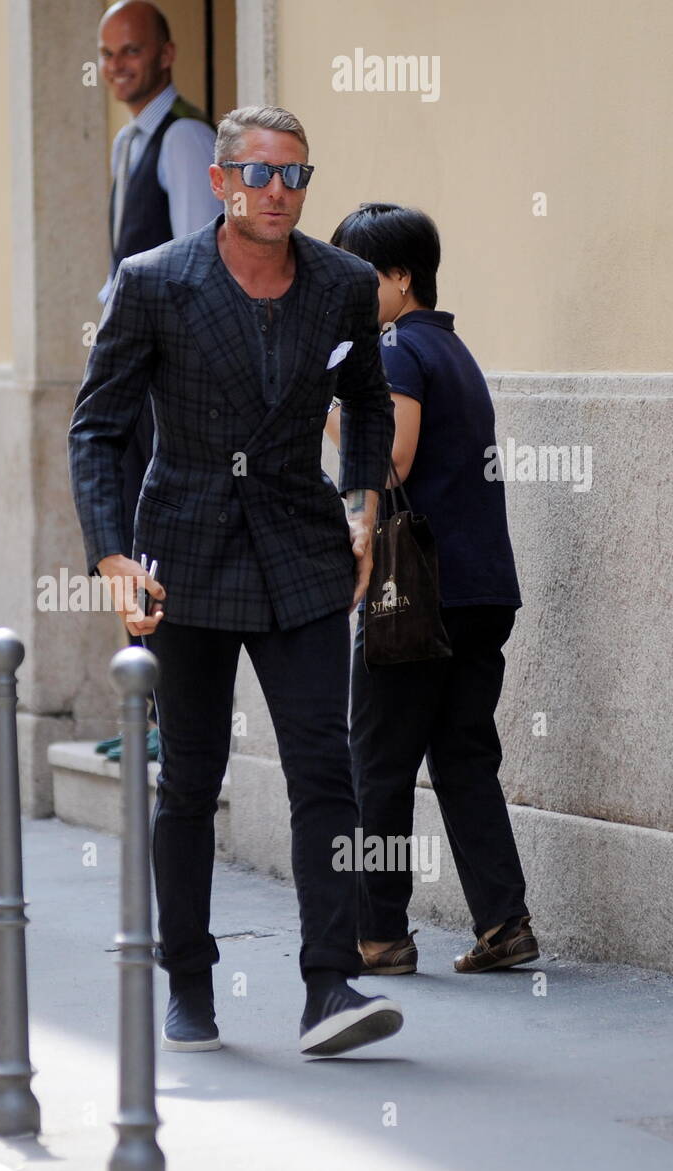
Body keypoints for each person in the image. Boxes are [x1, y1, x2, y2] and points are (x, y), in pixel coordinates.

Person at [69, 106, 403, 1057]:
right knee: (190, 781)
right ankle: (189, 982)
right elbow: (95, 428)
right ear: (220, 182)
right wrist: (111, 557)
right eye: (260, 175)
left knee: (324, 768)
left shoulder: (341, 285)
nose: (280, 193)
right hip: (185, 554)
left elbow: (368, 402)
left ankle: (330, 985)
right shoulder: (156, 283)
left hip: (302, 552)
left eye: (296, 175)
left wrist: (363, 503)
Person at [325, 203, 537, 976]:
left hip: (416, 594)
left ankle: (378, 934)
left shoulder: (394, 352)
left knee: (376, 762)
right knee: (462, 757)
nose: (348, 291)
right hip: (482, 590)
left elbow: (394, 461)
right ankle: (503, 922)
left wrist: (327, 410)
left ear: (400, 277)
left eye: (359, 275)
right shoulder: (452, 348)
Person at [93, 0, 223, 763]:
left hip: (166, 379)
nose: (117, 66)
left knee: (159, 542)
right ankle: (146, 715)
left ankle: (173, 726)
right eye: (107, 54)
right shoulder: (126, 143)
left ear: (167, 54)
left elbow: (194, 264)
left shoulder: (186, 139)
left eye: (131, 52)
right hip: (132, 371)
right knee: (132, 538)